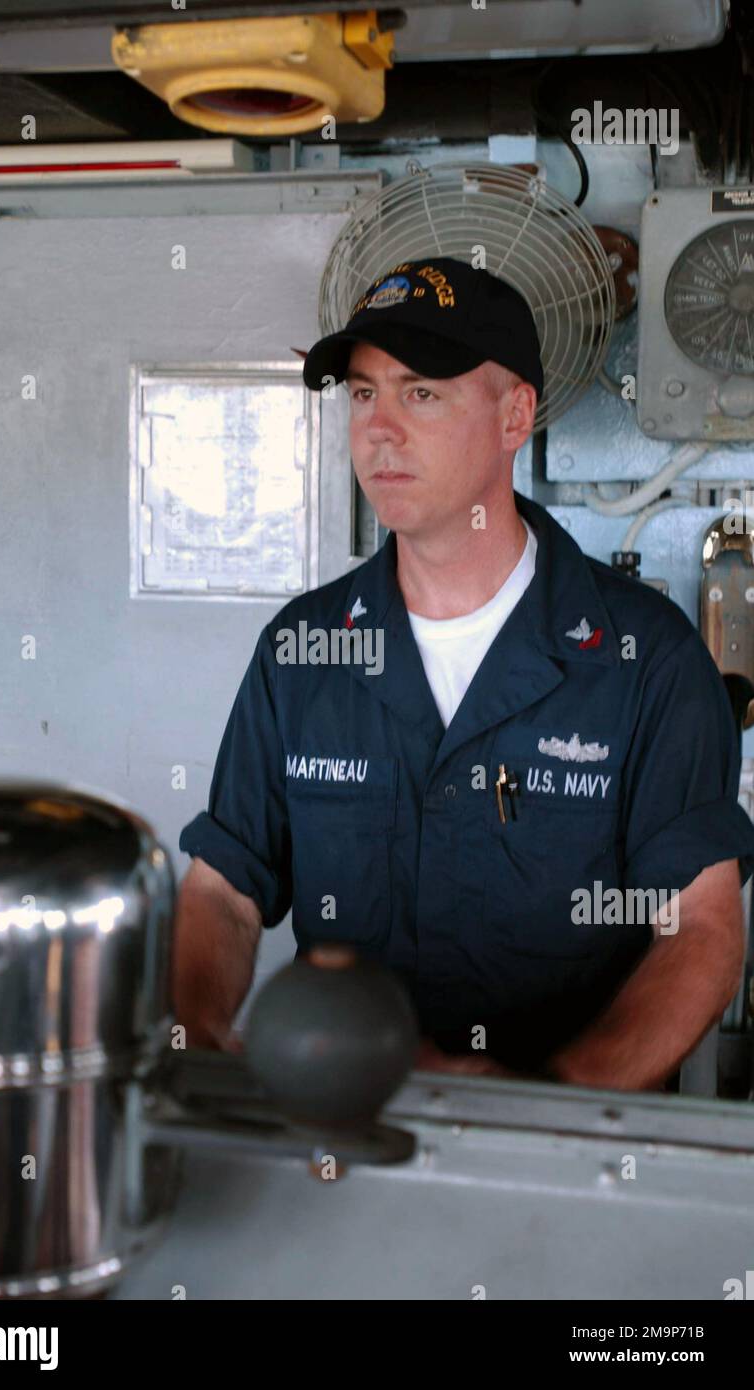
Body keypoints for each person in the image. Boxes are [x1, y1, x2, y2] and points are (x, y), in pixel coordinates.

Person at [173, 255, 754, 1090]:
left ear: (514, 414)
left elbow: (698, 930)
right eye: (363, 393)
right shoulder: (301, 650)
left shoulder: (646, 660)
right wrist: (194, 1044)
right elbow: (222, 891)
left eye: (421, 392)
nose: (378, 429)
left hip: (565, 1155)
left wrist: (554, 1100)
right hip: (341, 1123)